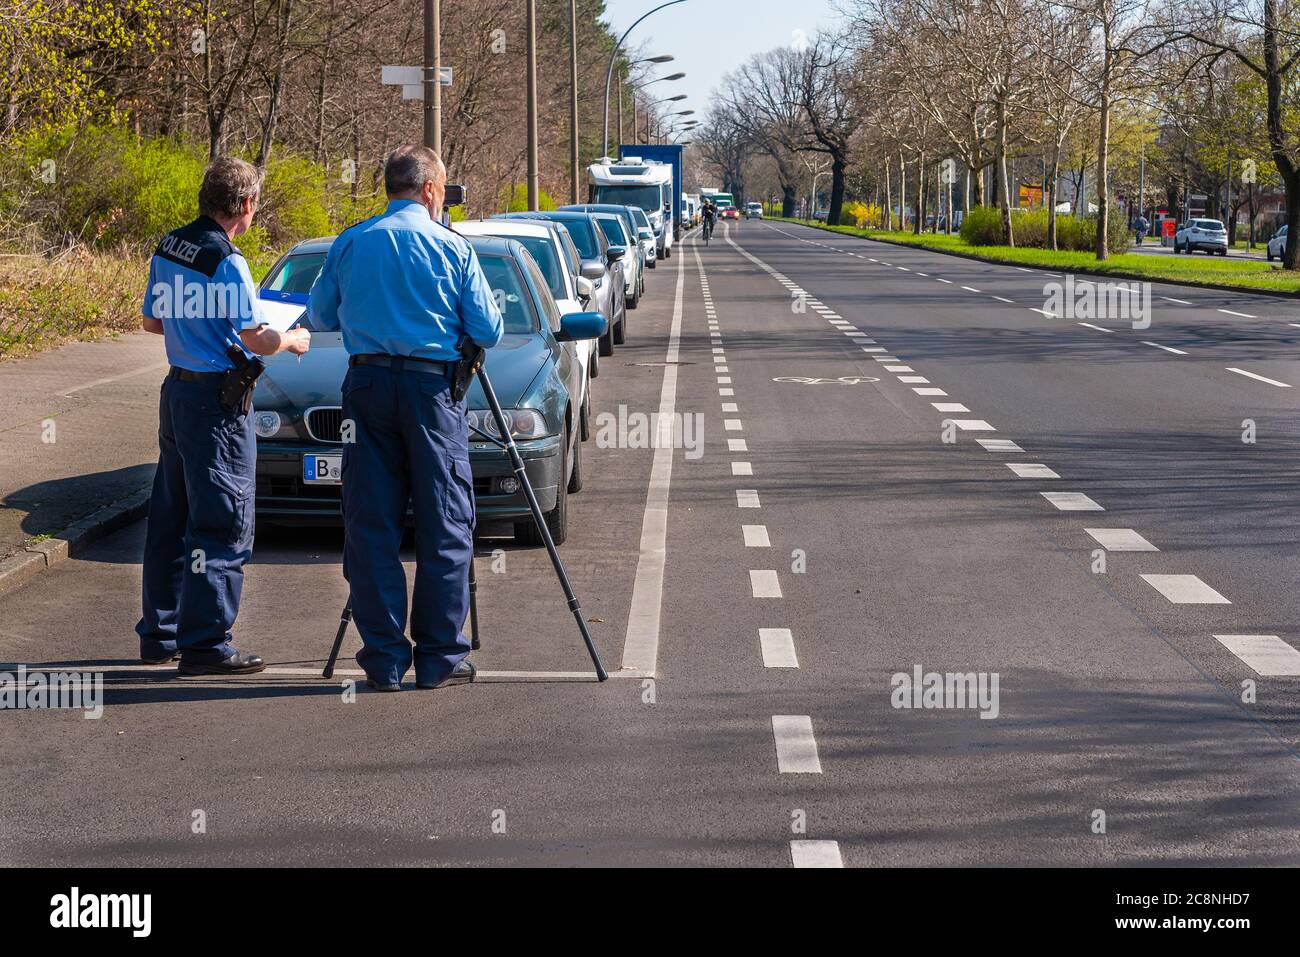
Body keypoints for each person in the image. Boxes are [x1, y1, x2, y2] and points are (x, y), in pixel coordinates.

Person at [307, 146, 503, 692]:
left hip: (367, 385)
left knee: (370, 524)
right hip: (430, 390)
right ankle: (439, 657)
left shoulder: (351, 240)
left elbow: (319, 315)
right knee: (444, 521)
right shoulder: (450, 246)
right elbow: (487, 330)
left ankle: (385, 658)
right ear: (432, 190)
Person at [137, 157, 311, 675]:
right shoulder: (228, 262)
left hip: (178, 394)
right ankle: (208, 644)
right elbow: (256, 336)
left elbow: (152, 322)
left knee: (172, 516)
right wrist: (292, 338)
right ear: (246, 205)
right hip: (217, 403)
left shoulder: (171, 245)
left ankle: (160, 634)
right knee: (223, 520)